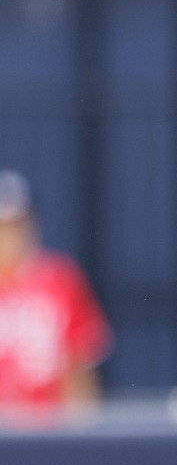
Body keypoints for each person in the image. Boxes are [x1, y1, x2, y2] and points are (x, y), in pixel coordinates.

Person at [0, 170, 110, 415]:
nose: (9, 236)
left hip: (49, 426)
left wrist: (80, 429)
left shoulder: (61, 279)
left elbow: (80, 365)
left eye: (17, 225)